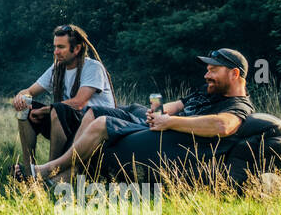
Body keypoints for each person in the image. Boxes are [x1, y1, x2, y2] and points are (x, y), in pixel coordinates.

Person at [24, 48, 256, 186]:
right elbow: (175, 106)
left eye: (213, 70)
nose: (207, 75)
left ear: (234, 74)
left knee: (103, 124)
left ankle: (50, 171)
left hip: (165, 141)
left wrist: (170, 121)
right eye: (207, 70)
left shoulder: (238, 105)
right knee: (95, 112)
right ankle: (65, 174)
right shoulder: (206, 92)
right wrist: (158, 112)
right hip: (154, 128)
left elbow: (222, 125)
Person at [10, 24, 118, 178]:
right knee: (26, 109)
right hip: (68, 121)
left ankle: (50, 173)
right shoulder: (57, 68)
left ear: (77, 48)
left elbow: (78, 103)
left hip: (92, 125)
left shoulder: (93, 67)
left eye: (61, 47)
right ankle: (30, 171)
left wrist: (45, 110)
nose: (56, 52)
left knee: (57, 110)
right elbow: (29, 90)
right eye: (55, 47)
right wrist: (21, 98)